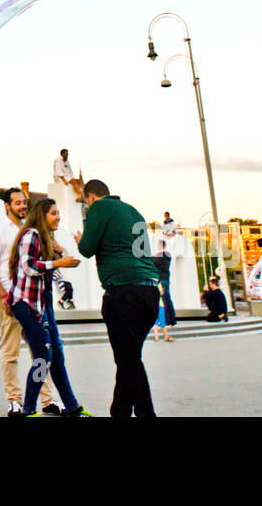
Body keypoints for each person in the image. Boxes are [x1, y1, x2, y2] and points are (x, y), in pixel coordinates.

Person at [76, 179, 160, 417]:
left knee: (128, 361)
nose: (86, 206)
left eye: (85, 202)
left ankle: (147, 414)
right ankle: (119, 412)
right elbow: (142, 251)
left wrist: (80, 239)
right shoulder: (134, 211)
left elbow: (86, 249)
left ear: (90, 197)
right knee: (129, 357)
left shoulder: (98, 208)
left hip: (123, 291)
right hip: (150, 291)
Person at [8, 198, 90, 417]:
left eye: (58, 213)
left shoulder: (45, 238)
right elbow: (28, 267)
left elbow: (48, 270)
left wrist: (59, 254)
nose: (58, 217)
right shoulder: (31, 235)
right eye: (54, 213)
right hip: (26, 303)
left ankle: (72, 408)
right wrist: (59, 262)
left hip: (43, 302)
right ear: (42, 215)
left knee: (57, 356)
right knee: (43, 355)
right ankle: (27, 408)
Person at [0, 187, 56, 415]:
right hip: (9, 299)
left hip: (32, 301)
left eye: (24, 203)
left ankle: (47, 400)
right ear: (7, 206)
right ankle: (14, 399)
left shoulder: (34, 231)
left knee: (40, 352)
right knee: (11, 352)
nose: (22, 207)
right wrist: (5, 297)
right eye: (17, 203)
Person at [151, 240, 176, 341]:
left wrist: (154, 256)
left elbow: (154, 262)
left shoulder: (163, 255)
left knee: (164, 299)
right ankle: (170, 320)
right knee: (167, 299)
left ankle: (166, 321)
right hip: (165, 279)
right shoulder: (167, 256)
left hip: (162, 279)